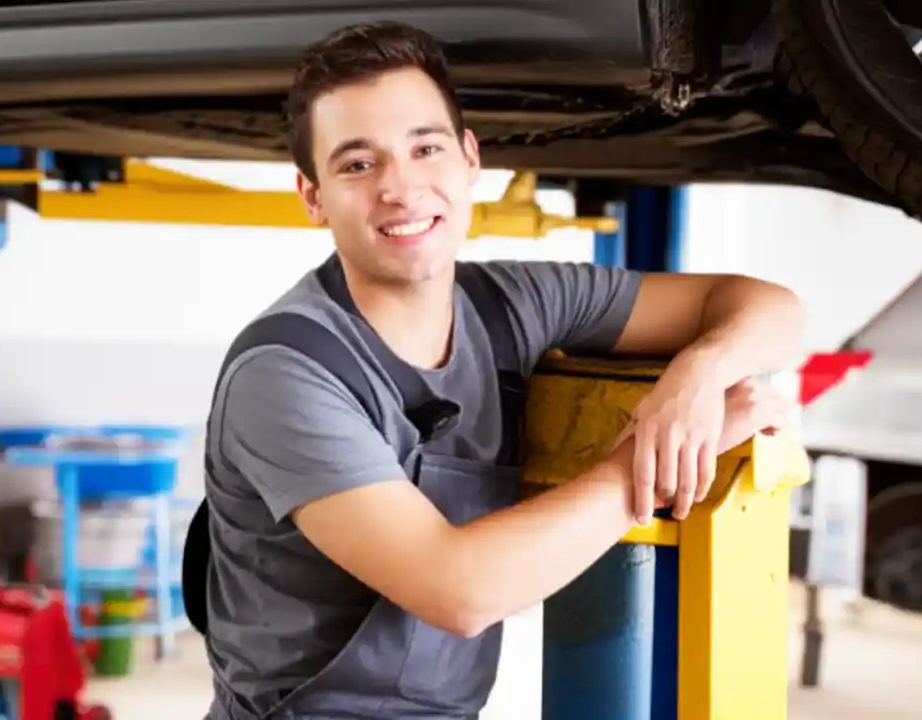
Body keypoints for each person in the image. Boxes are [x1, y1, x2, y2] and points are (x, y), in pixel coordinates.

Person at [187, 20, 806, 720]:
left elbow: (772, 306)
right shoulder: (287, 372)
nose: (401, 187)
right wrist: (648, 460)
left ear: (469, 159)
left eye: (425, 149)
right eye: (358, 165)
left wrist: (699, 376)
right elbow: (458, 591)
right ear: (313, 196)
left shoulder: (514, 305)